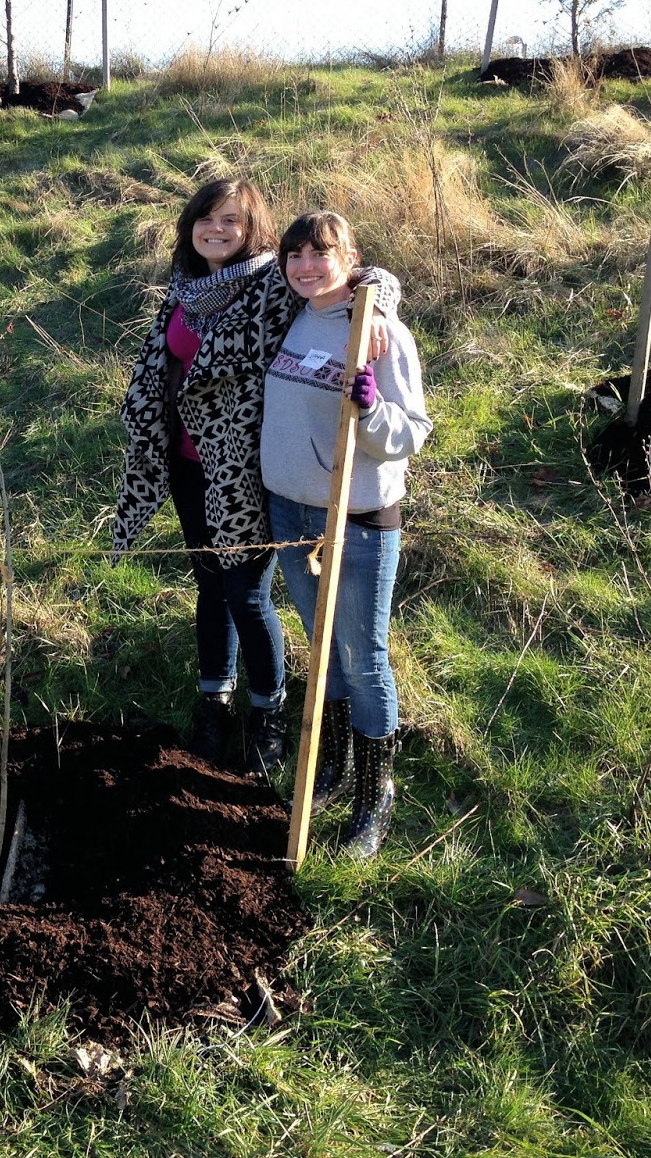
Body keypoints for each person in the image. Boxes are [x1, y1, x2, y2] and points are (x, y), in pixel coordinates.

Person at [112, 178, 400, 773]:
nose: (216, 230)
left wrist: (377, 301)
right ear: (190, 227)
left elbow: (357, 275)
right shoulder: (184, 289)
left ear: (253, 230)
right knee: (209, 585)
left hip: (244, 472)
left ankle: (268, 711)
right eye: (206, 218)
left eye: (231, 220)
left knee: (245, 592)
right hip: (186, 464)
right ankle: (214, 701)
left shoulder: (274, 283)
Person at [263, 211, 431, 858]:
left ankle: (374, 794)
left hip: (356, 520)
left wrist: (371, 408)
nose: (306, 267)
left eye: (320, 254)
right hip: (292, 515)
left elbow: (410, 433)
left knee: (363, 658)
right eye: (295, 255)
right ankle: (331, 767)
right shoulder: (296, 315)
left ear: (351, 258)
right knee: (324, 648)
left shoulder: (380, 332)